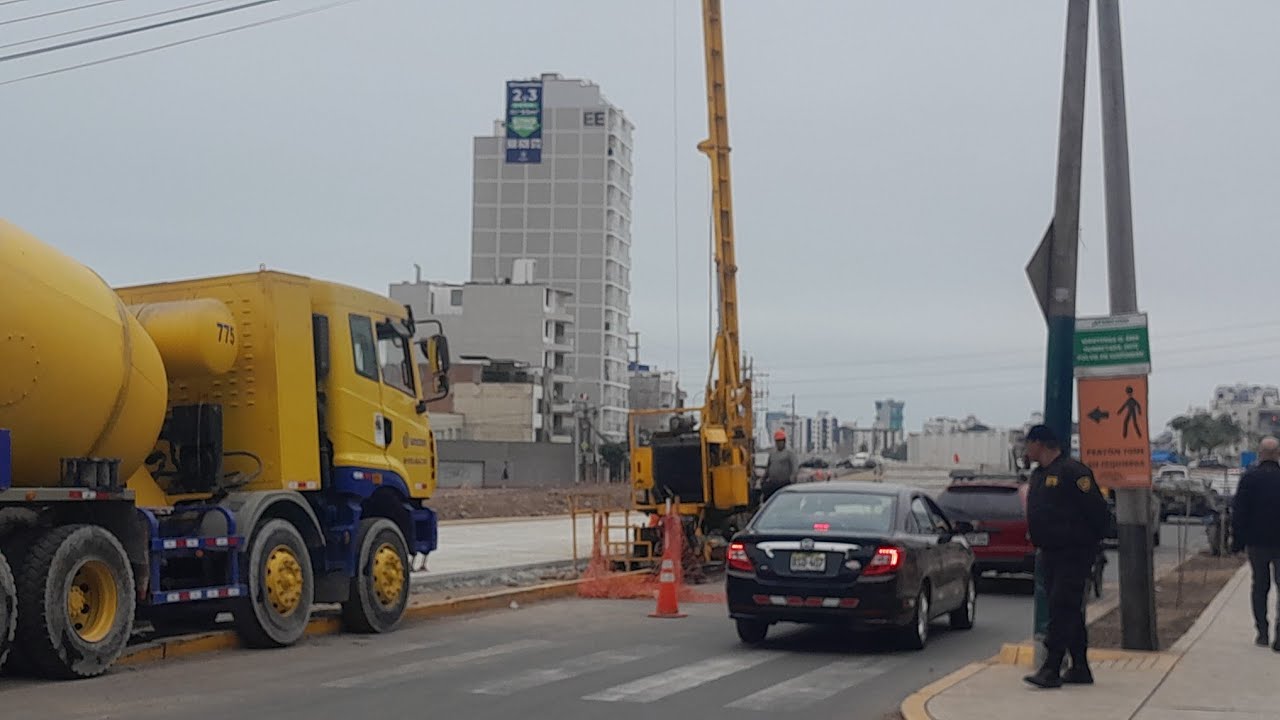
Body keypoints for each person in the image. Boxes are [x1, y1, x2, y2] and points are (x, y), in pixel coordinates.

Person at [1022, 424, 1110, 689]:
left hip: (1073, 552)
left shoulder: (1073, 472)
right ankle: (1080, 667)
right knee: (1068, 609)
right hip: (1049, 552)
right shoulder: (1039, 475)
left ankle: (1051, 667)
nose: (1026, 450)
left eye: (1029, 444)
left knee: (1062, 606)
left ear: (1040, 444)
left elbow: (1098, 512)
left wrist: (1089, 543)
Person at [1231, 436, 1280, 650]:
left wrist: (1237, 543)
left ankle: (1262, 631)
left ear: (1260, 454)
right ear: (1278, 455)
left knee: (1260, 587)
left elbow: (1239, 513)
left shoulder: (1249, 479)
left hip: (1257, 543)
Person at [761, 429, 799, 503]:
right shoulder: (772, 454)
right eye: (777, 441)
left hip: (784, 483)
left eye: (780, 441)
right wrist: (763, 478)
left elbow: (795, 467)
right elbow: (768, 468)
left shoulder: (789, 453)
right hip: (773, 483)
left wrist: (792, 479)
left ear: (784, 441)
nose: (778, 443)